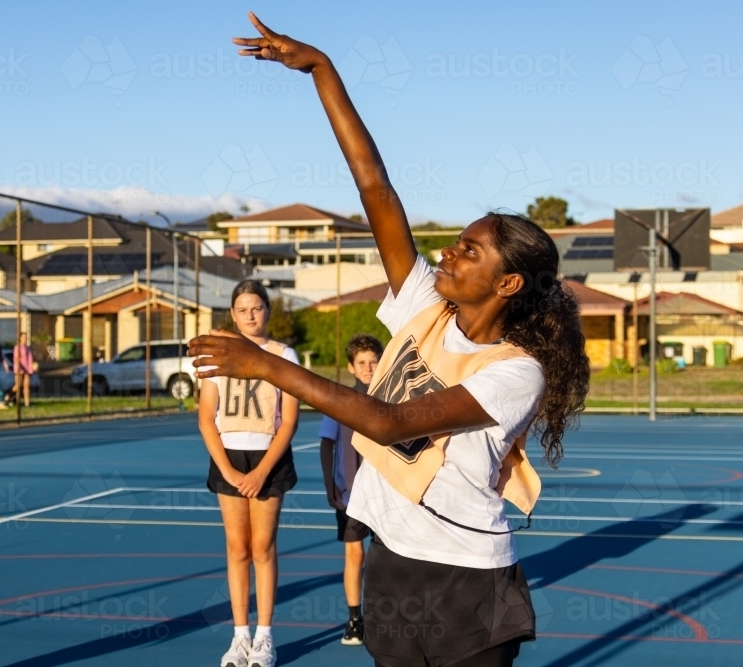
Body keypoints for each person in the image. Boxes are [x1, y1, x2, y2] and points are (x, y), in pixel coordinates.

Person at [189, 14, 590, 667]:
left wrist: (264, 363)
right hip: (393, 566)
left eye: (468, 250)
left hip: (469, 585)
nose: (448, 253)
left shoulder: (515, 370)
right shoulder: (425, 307)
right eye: (455, 242)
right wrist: (321, 69)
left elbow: (389, 419)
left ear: (509, 281)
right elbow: (373, 183)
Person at [198, 279, 300, 667]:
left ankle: (264, 638)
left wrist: (261, 471)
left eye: (256, 308)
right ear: (233, 314)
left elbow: (288, 420)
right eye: (242, 310)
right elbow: (207, 417)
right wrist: (226, 468)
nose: (250, 315)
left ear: (268, 311)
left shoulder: (283, 354)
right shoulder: (218, 357)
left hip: (268, 458)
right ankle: (239, 637)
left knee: (262, 548)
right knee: (237, 548)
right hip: (229, 457)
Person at [318, 333, 383, 647]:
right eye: (362, 363)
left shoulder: (392, 398)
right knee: (354, 553)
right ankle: (355, 618)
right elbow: (326, 442)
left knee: (387, 557)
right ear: (351, 367)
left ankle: (384, 615)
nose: (369, 367)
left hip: (388, 494)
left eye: (373, 361)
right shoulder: (340, 400)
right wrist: (329, 482)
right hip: (351, 493)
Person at [12, 332, 35, 407]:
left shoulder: (28, 347)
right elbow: (16, 359)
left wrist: (33, 366)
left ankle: (27, 403)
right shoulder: (17, 347)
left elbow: (31, 358)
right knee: (18, 385)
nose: (25, 338)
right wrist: (20, 368)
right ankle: (9, 396)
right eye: (24, 337)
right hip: (20, 369)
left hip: (27, 369)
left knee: (26, 386)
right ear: (20, 338)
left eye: (26, 337)